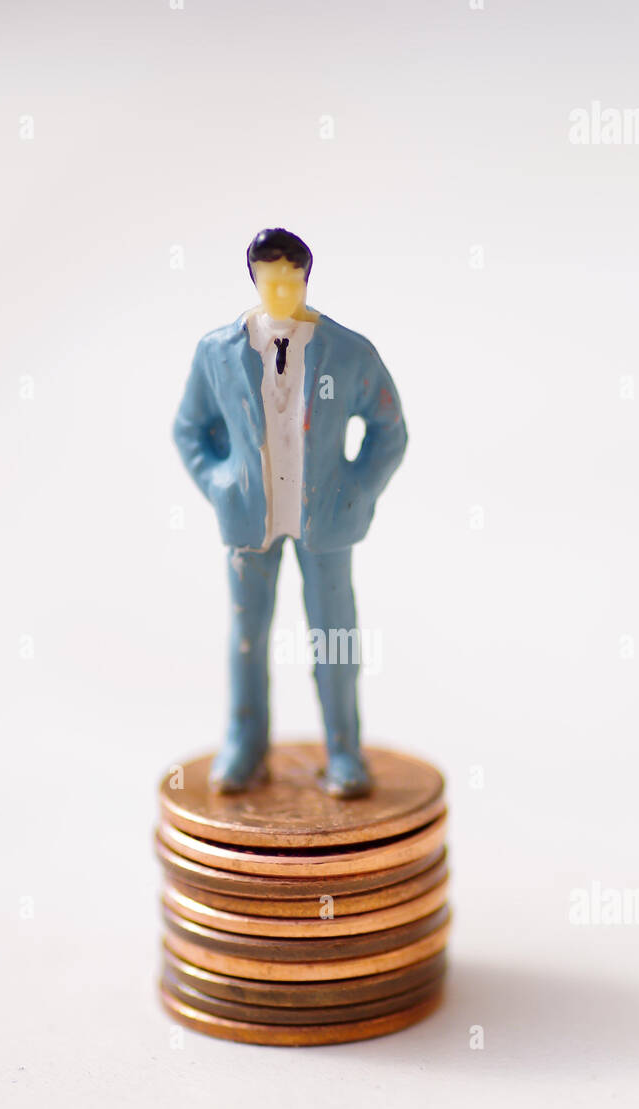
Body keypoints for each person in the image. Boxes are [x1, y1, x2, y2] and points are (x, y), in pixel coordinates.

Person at [173, 228, 407, 797]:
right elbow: (190, 429)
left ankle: (345, 749)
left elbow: (388, 429)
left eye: (291, 279)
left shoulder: (349, 353)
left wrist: (357, 489)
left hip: (324, 521)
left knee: (336, 636)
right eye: (269, 279)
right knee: (246, 633)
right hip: (250, 519)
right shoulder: (218, 352)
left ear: (306, 277)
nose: (281, 290)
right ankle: (245, 742)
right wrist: (222, 484)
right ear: (254, 278)